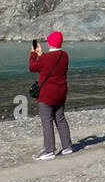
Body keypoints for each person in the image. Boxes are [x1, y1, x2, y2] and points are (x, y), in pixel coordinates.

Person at [29, 31, 74, 159]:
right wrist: (41, 55)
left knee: (47, 121)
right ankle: (67, 147)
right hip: (61, 92)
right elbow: (50, 63)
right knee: (60, 119)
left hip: (47, 94)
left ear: (50, 43)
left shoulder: (45, 58)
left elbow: (33, 67)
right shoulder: (64, 55)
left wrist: (33, 54)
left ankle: (49, 150)